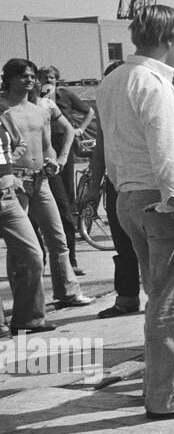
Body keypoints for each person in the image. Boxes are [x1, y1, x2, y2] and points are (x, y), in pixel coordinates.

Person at [96, 6, 174, 419]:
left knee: (158, 297)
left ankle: (162, 385)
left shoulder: (113, 80)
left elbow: (110, 150)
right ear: (168, 38)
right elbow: (169, 156)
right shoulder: (154, 84)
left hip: (129, 197)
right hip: (163, 202)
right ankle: (172, 396)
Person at [0, 59, 94, 310]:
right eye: (23, 76)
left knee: (58, 237)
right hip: (15, 182)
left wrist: (58, 159)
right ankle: (27, 308)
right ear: (8, 78)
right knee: (21, 248)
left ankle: (67, 291)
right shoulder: (2, 108)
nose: (29, 80)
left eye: (31, 76)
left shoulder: (40, 108)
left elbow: (49, 142)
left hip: (40, 179)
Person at [86, 61, 144, 319]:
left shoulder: (141, 103)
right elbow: (99, 151)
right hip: (115, 183)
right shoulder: (106, 112)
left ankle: (161, 299)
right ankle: (127, 298)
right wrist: (93, 189)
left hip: (144, 181)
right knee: (123, 244)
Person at [37, 65, 94, 276]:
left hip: (64, 152)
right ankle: (40, 261)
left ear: (57, 79)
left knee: (66, 205)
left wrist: (80, 130)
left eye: (50, 77)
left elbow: (89, 112)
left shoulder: (64, 96)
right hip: (40, 154)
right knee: (38, 211)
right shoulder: (34, 100)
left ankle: (71, 260)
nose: (47, 80)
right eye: (43, 77)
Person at [0, 98, 49, 336]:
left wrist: (9, 169)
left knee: (33, 257)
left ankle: (26, 318)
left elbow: (19, 142)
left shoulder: (3, 115)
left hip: (8, 197)